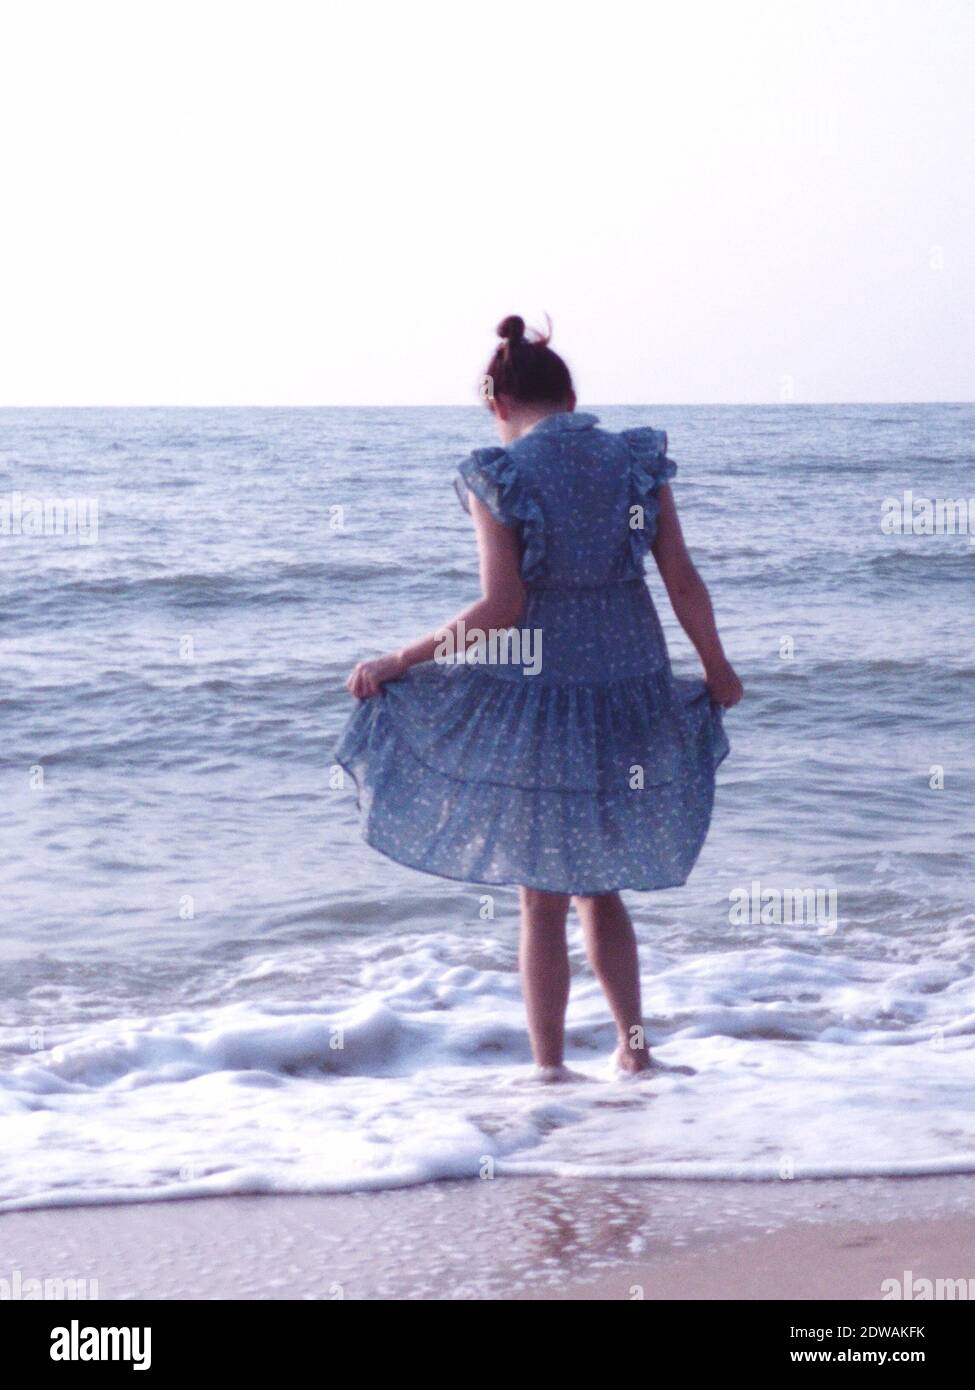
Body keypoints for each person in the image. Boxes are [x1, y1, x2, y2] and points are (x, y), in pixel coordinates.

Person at [335, 315, 742, 1080]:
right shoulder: (635, 460)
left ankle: (549, 1072)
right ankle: (632, 1049)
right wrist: (716, 668)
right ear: (571, 394)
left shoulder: (500, 474)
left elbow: (500, 610)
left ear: (496, 402)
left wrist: (402, 657)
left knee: (540, 897)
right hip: (628, 683)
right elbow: (681, 579)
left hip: (543, 693)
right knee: (600, 884)